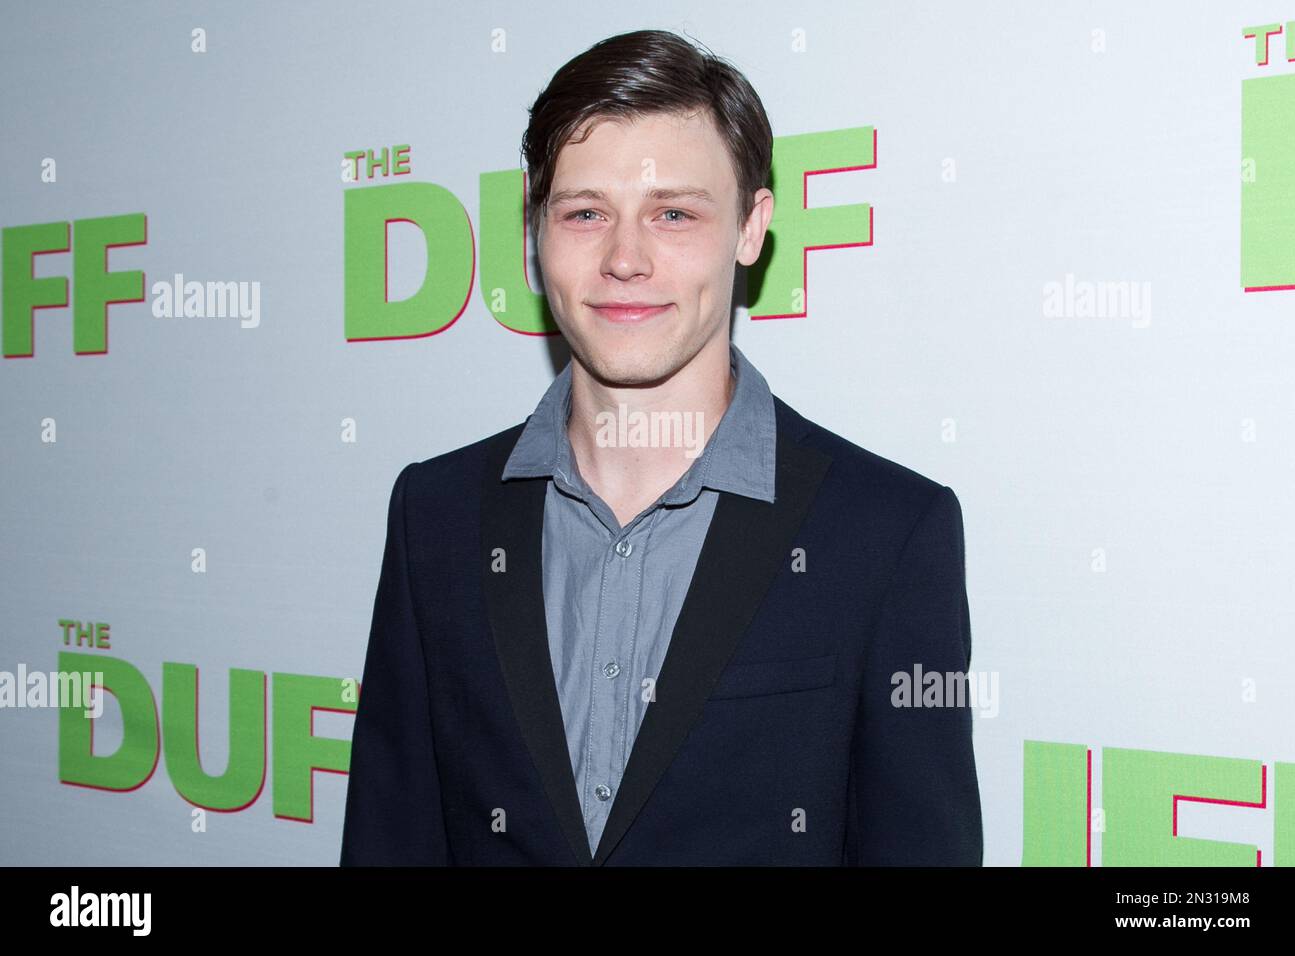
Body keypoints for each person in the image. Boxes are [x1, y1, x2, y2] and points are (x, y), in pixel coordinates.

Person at [340, 28, 982, 866]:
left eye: (673, 213)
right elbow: (392, 838)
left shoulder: (889, 534)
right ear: (533, 230)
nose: (625, 259)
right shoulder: (436, 515)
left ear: (752, 228)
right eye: (585, 213)